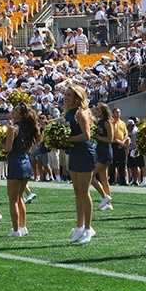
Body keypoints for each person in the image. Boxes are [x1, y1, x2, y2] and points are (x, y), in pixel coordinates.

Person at [64, 85, 97, 245]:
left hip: (85, 154)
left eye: (69, 95)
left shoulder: (81, 113)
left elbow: (86, 135)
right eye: (66, 94)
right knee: (77, 191)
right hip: (74, 153)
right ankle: (79, 226)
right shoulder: (68, 113)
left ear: (78, 98)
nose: (66, 97)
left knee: (84, 192)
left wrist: (67, 139)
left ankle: (88, 228)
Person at [5, 103, 40, 237]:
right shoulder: (29, 127)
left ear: (19, 114)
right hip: (26, 162)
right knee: (19, 198)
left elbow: (8, 148)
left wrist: (5, 137)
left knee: (13, 199)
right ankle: (23, 226)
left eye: (15, 110)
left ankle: (15, 230)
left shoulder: (14, 128)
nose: (12, 112)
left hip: (15, 163)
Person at [91, 102, 114, 211]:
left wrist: (97, 137)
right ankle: (108, 203)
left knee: (90, 176)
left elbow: (110, 139)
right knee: (104, 179)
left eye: (99, 110)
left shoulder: (107, 122)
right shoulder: (99, 122)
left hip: (105, 152)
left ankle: (105, 197)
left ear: (103, 111)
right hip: (99, 151)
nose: (97, 112)